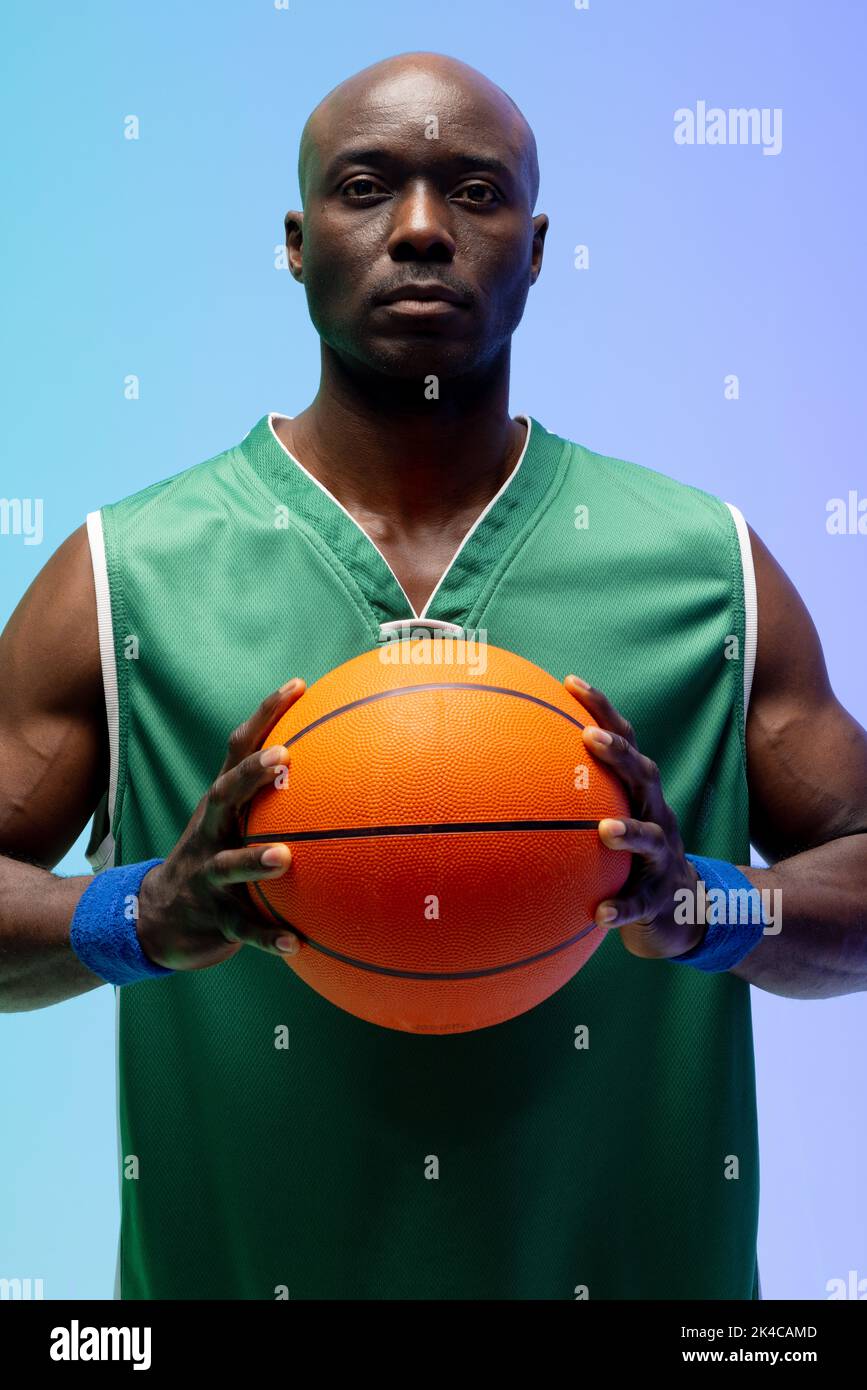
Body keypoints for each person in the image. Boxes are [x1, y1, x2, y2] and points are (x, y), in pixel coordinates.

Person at [1, 50, 865, 1301]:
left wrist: (711, 906)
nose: (420, 230)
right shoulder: (124, 574)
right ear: (296, 243)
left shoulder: (703, 565)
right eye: (367, 188)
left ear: (536, 242)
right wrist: (137, 912)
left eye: (472, 191)